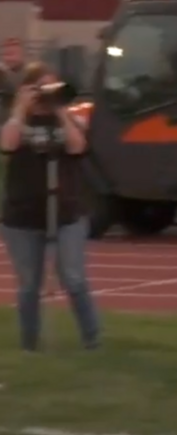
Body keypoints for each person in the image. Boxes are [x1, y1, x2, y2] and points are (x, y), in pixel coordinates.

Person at [0, 62, 100, 351]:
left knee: (74, 278)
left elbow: (77, 147)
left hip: (67, 212)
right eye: (41, 87)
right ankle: (30, 343)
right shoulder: (17, 120)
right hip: (22, 215)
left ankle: (92, 340)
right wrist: (20, 109)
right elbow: (7, 145)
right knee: (30, 285)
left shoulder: (69, 119)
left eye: (52, 86)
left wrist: (60, 111)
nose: (47, 93)